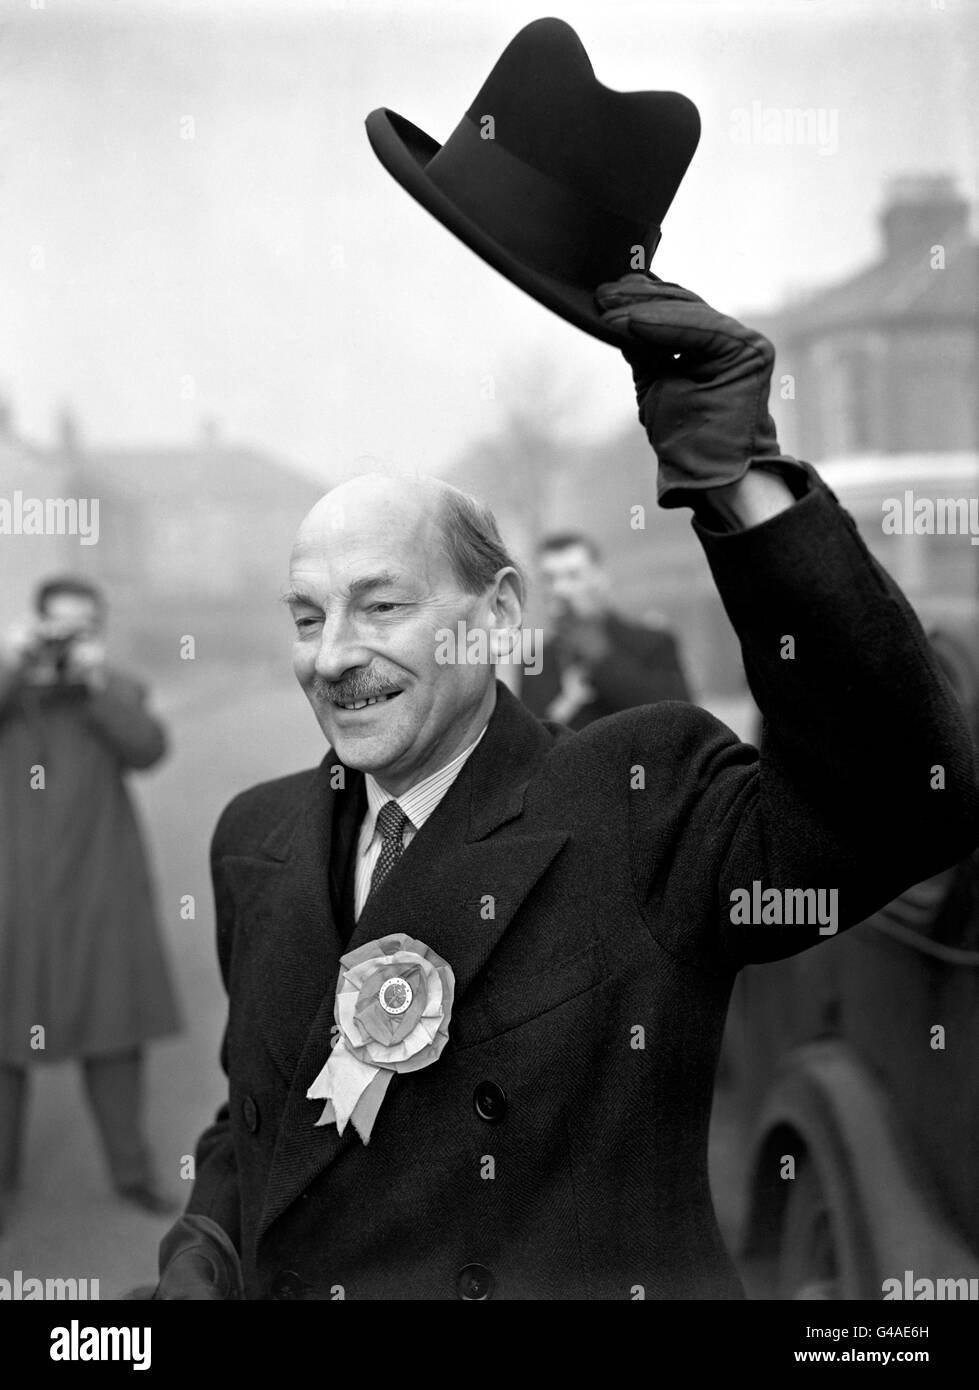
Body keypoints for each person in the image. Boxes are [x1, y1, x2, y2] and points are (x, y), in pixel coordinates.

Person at [155, 274, 978, 1300]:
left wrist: (741, 479)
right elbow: (256, 1118)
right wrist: (204, 1251)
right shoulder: (254, 836)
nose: (332, 657)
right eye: (308, 616)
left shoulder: (635, 800)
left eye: (380, 606)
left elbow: (902, 797)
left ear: (498, 616)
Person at [0, 576, 180, 1226]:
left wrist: (98, 683)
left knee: (114, 1033)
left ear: (98, 633)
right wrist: (11, 659)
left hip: (101, 888)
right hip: (14, 896)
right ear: (34, 625)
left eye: (83, 628)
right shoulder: (11, 690)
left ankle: (132, 1174)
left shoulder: (117, 688)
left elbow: (150, 748)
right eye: (57, 628)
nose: (69, 641)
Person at [521, 531, 691, 728]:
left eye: (573, 576)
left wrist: (601, 657)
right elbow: (528, 741)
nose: (560, 589)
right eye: (549, 578)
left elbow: (680, 721)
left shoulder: (653, 643)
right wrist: (567, 703)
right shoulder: (536, 660)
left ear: (599, 578)